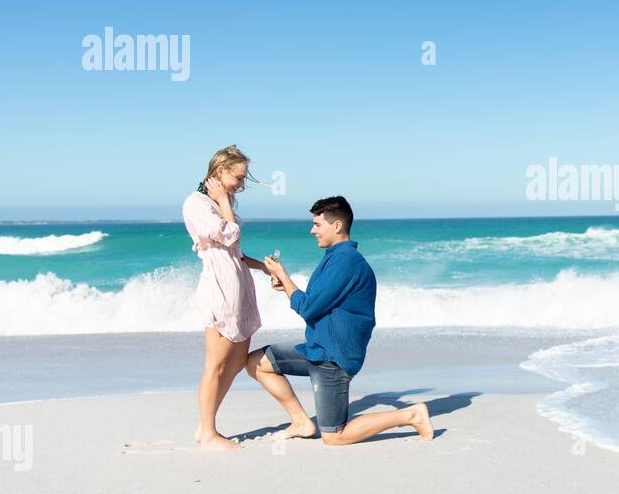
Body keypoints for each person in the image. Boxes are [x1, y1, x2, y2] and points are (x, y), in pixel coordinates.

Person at [247, 195, 432, 445]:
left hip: (333, 358)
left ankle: (411, 414)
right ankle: (301, 422)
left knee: (334, 437)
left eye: (317, 224)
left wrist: (284, 276)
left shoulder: (346, 261)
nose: (312, 230)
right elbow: (316, 302)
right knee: (256, 362)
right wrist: (287, 287)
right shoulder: (336, 257)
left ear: (337, 226)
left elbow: (309, 308)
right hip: (317, 349)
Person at [182, 145, 270, 451]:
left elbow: (235, 250)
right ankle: (208, 432)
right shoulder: (197, 204)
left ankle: (205, 424)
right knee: (216, 365)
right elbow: (228, 234)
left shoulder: (220, 203)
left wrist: (262, 267)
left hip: (238, 284)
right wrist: (222, 200)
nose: (242, 186)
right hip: (219, 288)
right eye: (239, 178)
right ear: (219, 172)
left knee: (234, 364)